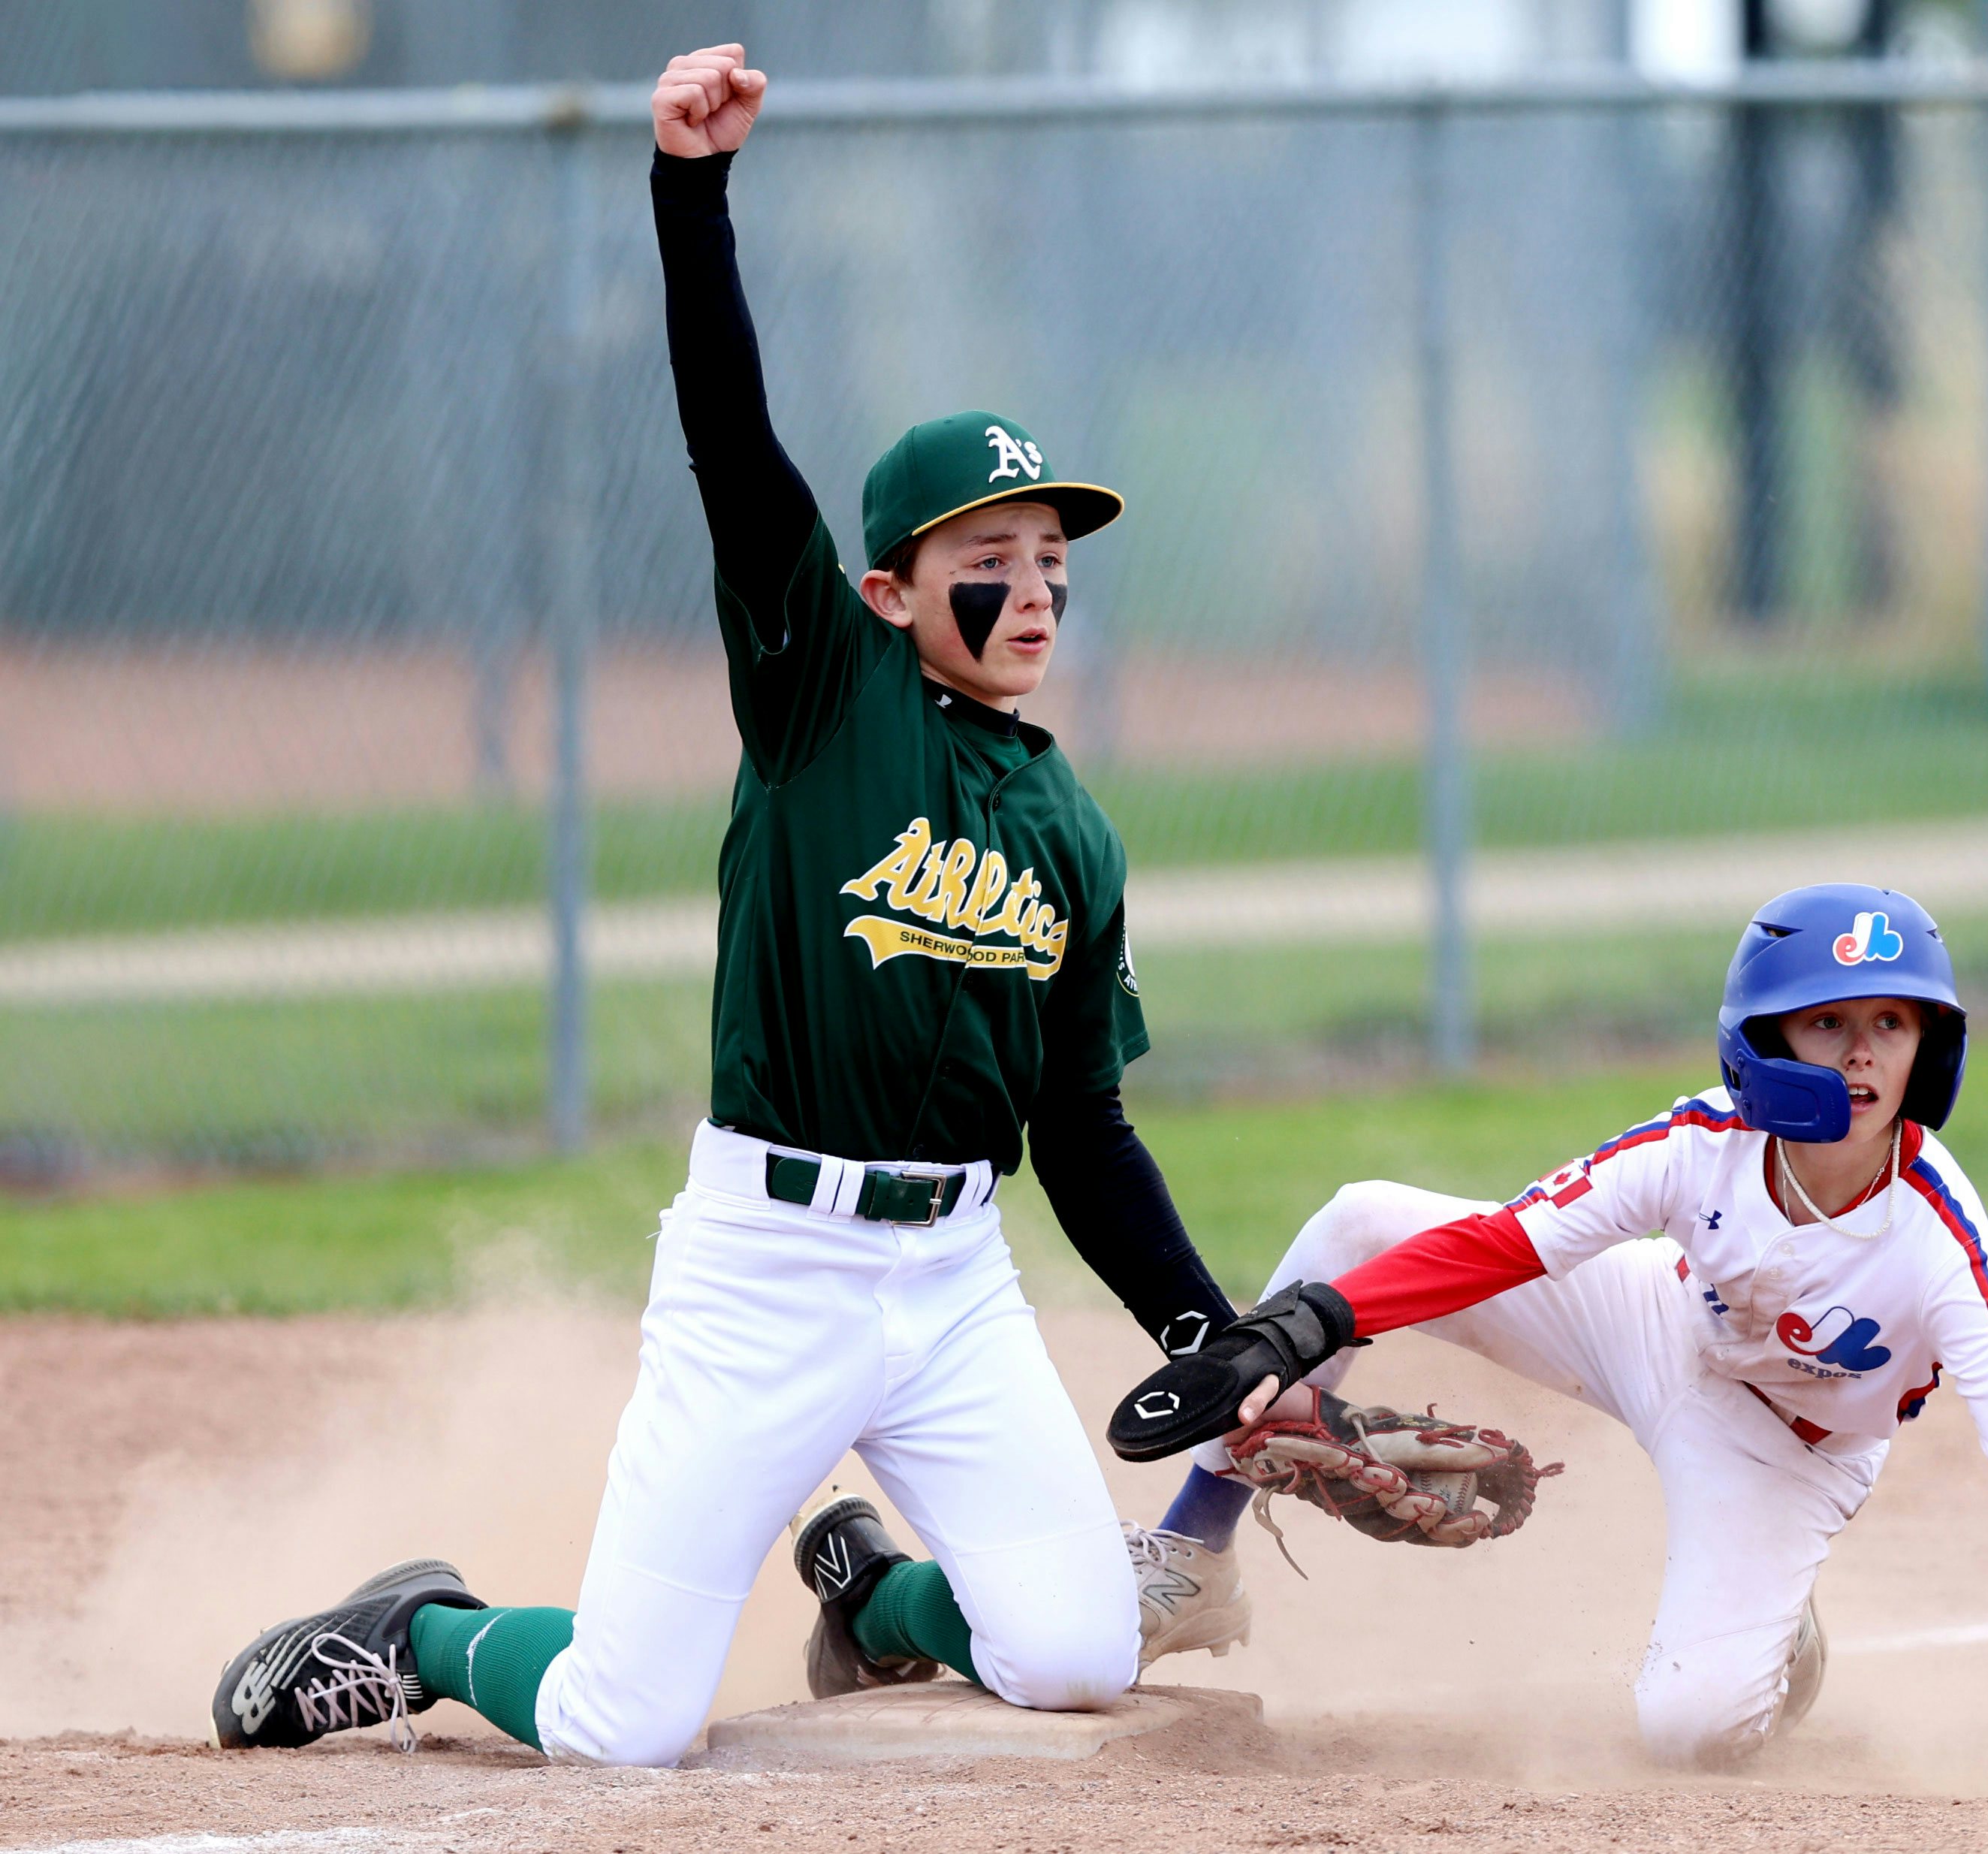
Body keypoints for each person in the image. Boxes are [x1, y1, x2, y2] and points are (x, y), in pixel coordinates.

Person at [208, 43, 1251, 1768]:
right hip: (768, 1264)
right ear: (882, 587)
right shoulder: (816, 691)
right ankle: (425, 1629)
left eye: (1054, 553)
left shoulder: (1071, 824)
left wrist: (1205, 1332)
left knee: (1073, 1650)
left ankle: (871, 1601)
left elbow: (1080, 1123)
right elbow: (726, 441)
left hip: (952, 1283)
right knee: (629, 1724)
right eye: (986, 552)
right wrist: (690, 194)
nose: (1033, 582)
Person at [1126, 883, 1988, 1789]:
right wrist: (1305, 1328)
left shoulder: (1940, 1241)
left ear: (1932, 1047)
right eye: (1827, 1021)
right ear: (1764, 1038)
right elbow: (1509, 1245)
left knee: (1685, 1731)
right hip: (1657, 1327)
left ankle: (1779, 1643)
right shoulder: (1701, 1142)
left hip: (1788, 1455)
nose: (1861, 1055)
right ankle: (1193, 1553)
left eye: (1890, 1022)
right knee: (1361, 1220)